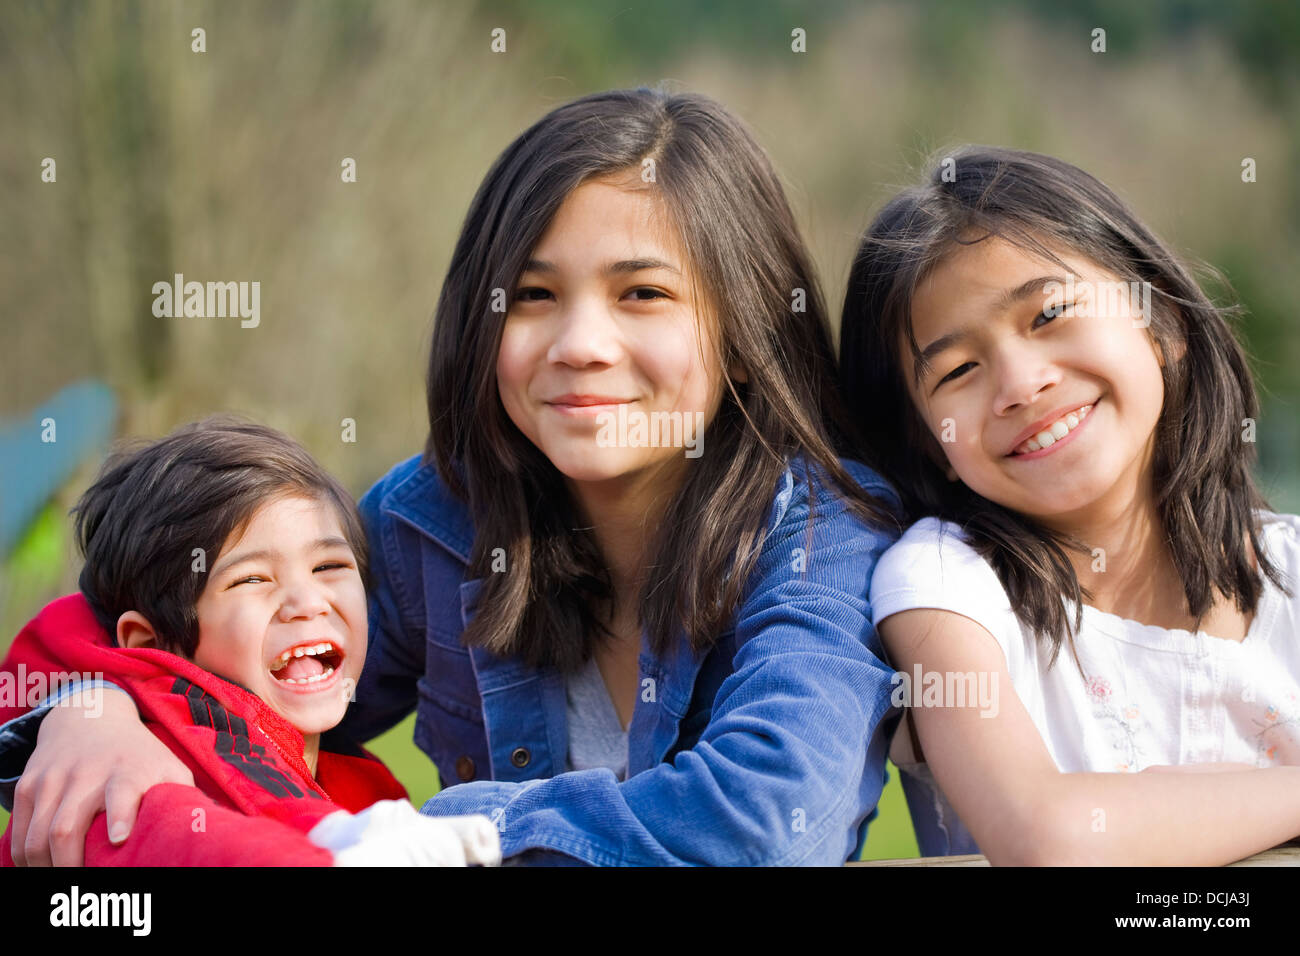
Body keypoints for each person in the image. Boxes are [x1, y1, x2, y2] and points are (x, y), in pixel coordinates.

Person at [2, 88, 903, 866]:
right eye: (534, 296)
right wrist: (96, 702)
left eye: (643, 294)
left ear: (745, 337)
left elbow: (762, 829)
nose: (580, 346)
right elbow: (188, 613)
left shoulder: (819, 537)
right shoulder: (432, 523)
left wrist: (433, 836)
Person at [839, 145, 1300, 865]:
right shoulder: (943, 586)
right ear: (929, 442)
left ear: (1163, 322)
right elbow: (1046, 838)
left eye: (1049, 312)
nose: (1021, 385)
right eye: (959, 369)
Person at [0, 417, 499, 866]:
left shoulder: (362, 783)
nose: (307, 600)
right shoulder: (131, 759)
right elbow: (185, 846)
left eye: (329, 566)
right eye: (251, 579)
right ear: (155, 640)